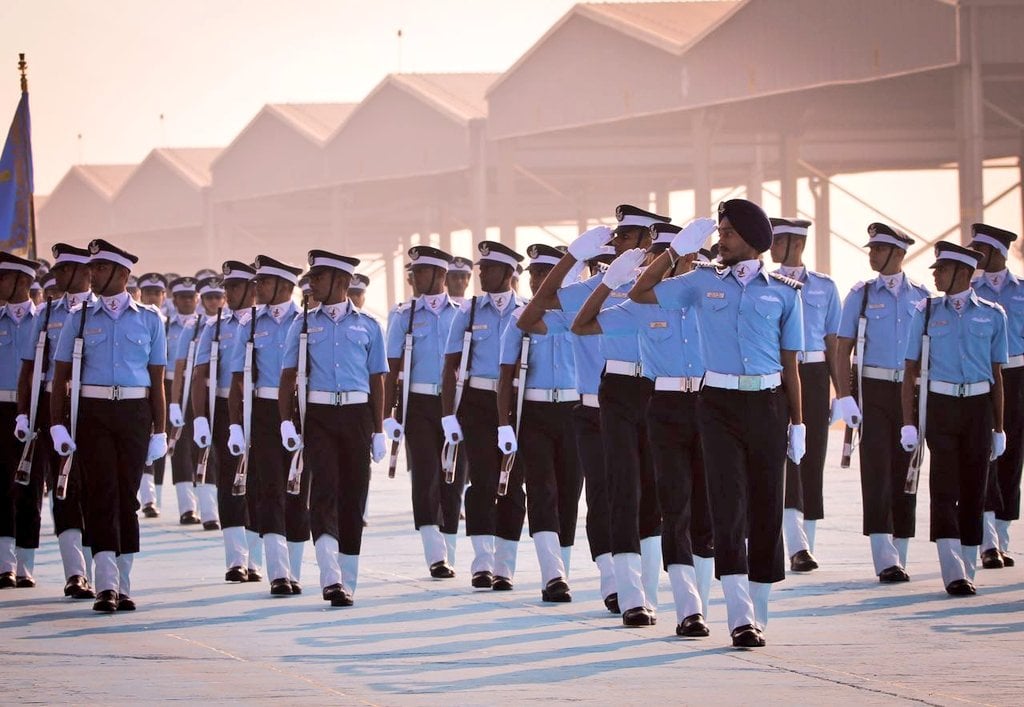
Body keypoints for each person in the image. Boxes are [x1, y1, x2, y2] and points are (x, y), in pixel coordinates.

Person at [630, 200, 804, 648]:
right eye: (718, 232)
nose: (719, 240)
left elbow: (791, 365)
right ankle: (740, 617)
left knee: (767, 508)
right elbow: (641, 292)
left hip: (768, 404)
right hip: (718, 403)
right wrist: (676, 251)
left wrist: (798, 422)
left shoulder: (785, 292)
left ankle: (758, 610)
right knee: (728, 506)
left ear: (750, 240)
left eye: (726, 233)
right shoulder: (702, 281)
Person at [572, 223, 716, 636]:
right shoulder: (637, 298)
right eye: (656, 254)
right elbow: (583, 324)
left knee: (665, 499)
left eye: (672, 254)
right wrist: (607, 282)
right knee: (625, 489)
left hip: (669, 395)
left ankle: (668, 597)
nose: (657, 262)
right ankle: (632, 597)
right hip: (620, 392)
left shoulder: (702, 296)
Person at [50, 239, 168, 613]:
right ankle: (105, 585)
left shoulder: (149, 319)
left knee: (127, 496)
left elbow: (157, 380)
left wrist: (160, 430)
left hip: (134, 413)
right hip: (93, 412)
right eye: (92, 268)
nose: (92, 274)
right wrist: (57, 425)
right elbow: (61, 375)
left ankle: (124, 582)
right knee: (101, 492)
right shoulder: (80, 316)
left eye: (100, 269)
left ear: (121, 274)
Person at [279, 250, 387, 606]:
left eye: (319, 278)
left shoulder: (369, 325)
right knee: (323, 491)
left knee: (353, 495)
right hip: (320, 417)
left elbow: (377, 381)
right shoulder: (304, 324)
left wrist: (378, 429)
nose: (312, 285)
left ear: (340, 282)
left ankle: (347, 576)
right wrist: (286, 422)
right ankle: (330, 577)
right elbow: (287, 377)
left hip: (356, 416)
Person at [901, 241, 1008, 595]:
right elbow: (910, 369)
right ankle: (952, 569)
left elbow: (997, 375)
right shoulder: (927, 311)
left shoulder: (993, 314)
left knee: (975, 487)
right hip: (942, 406)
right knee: (944, 485)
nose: (937, 276)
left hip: (978, 408)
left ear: (962, 273)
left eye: (942, 270)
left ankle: (968, 563)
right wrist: (909, 422)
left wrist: (999, 427)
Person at [834, 223, 930, 582]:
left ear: (898, 254)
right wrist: (844, 396)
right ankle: (884, 558)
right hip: (872, 391)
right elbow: (843, 347)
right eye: (871, 249)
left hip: (909, 392)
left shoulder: (921, 296)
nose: (871, 255)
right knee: (876, 471)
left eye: (878, 249)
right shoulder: (860, 294)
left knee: (907, 470)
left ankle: (900, 553)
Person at [441, 241, 527, 591]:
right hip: (477, 402)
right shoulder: (471, 311)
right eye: (480, 269)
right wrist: (448, 415)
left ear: (508, 274)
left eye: (488, 269)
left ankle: (505, 566)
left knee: (512, 484)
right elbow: (449, 365)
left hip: (516, 404)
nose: (481, 275)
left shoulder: (526, 310)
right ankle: (482, 563)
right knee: (482, 481)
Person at [497, 243, 580, 603]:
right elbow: (504, 375)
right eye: (532, 274)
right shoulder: (522, 318)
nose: (535, 280)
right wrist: (504, 424)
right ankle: (553, 574)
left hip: (575, 412)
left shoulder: (581, 314)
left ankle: (561, 566)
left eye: (543, 274)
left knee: (569, 494)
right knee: (542, 490)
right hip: (535, 413)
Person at [15, 244, 94, 597]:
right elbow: (29, 369)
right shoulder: (47, 314)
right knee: (61, 483)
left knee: (94, 486)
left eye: (65, 271)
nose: (57, 277)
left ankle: (98, 567)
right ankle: (75, 572)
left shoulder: (101, 312)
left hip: (93, 405)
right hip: (52, 404)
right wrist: (24, 413)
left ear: (85, 273)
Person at [383, 246, 463, 578]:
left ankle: (449, 547)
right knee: (426, 473)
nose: (413, 279)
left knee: (455, 477)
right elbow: (391, 366)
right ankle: (435, 554)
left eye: (420, 273)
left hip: (455, 404)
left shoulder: (461, 313)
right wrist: (388, 413)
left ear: (440, 275)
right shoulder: (404, 315)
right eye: (411, 273)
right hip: (419, 404)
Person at [768, 218, 842, 571]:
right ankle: (795, 542)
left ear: (795, 244)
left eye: (777, 241)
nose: (771, 249)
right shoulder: (767, 284)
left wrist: (843, 394)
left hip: (813, 373)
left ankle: (805, 542)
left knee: (812, 455)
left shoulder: (825, 287)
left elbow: (833, 343)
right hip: (779, 371)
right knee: (785, 454)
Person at [192, 267, 265, 583]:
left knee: (261, 481)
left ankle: (257, 559)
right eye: (228, 287)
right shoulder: (215, 326)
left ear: (253, 288)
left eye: (236, 287)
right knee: (229, 480)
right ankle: (236, 559)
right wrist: (199, 419)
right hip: (225, 408)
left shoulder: (266, 323)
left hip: (262, 407)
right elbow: (199, 376)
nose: (229, 294)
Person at [969, 224, 1023, 569]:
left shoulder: (1022, 291)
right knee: (983, 454)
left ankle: (1001, 536)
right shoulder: (970, 290)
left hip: (1018, 376)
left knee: (1012, 455)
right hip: (983, 377)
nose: (973, 256)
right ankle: (988, 541)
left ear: (997, 254)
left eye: (979, 250)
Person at [0, 251, 41, 589]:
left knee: (30, 485)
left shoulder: (43, 321)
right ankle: (4, 563)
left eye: (4, 278)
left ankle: (26, 562)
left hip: (34, 411)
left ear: (24, 282)